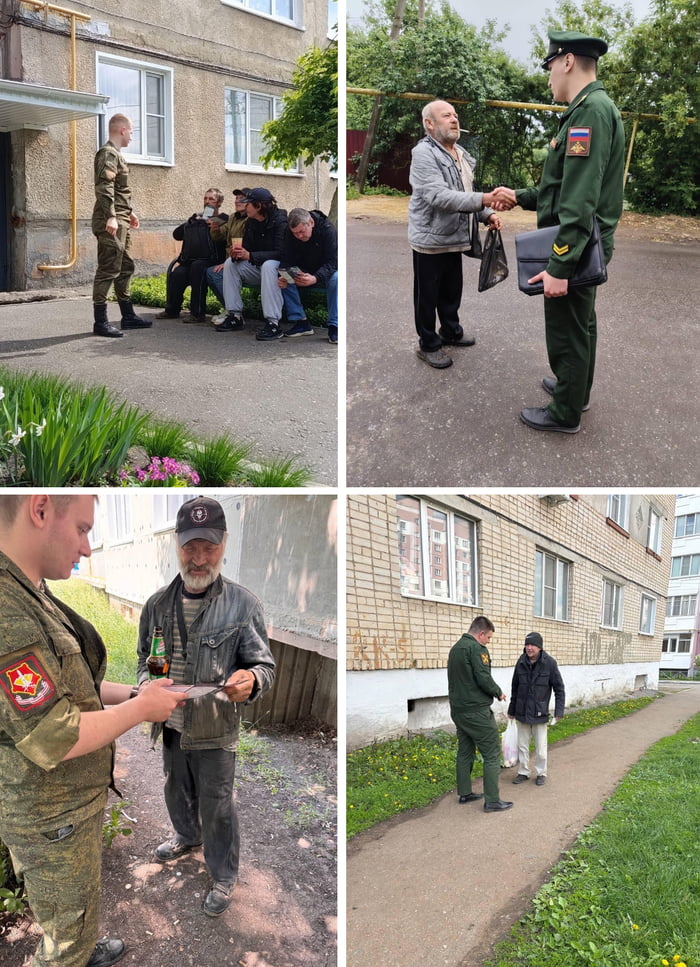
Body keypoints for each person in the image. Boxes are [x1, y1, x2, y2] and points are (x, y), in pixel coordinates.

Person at [0, 495, 187, 967]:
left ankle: (81, 944)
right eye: (83, 528)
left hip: (66, 810)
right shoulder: (5, 611)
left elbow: (74, 688)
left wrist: (134, 694)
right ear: (40, 510)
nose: (88, 547)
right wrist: (144, 709)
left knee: (72, 914)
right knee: (65, 942)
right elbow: (54, 733)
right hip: (50, 817)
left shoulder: (29, 591)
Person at [136, 496, 276, 917]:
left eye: (208, 548)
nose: (198, 559)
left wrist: (250, 681)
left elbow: (263, 666)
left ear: (224, 546)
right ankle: (186, 836)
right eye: (190, 548)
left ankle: (223, 874)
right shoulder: (156, 605)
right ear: (177, 547)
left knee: (217, 805)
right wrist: (146, 689)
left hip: (215, 729)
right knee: (176, 790)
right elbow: (145, 661)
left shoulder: (243, 604)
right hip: (172, 725)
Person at [492, 31, 625, 433]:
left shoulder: (589, 114)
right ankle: (574, 391)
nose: (548, 75)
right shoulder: (588, 109)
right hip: (588, 242)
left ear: (567, 61)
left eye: (550, 65)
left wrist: (560, 265)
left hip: (578, 245)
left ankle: (564, 413)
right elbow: (564, 188)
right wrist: (519, 196)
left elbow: (580, 201)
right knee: (582, 323)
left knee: (568, 329)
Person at [408, 99, 506, 369]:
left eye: (455, 115)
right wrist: (486, 199)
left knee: (452, 291)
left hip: (454, 238)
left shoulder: (459, 153)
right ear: (430, 124)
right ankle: (428, 344)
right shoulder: (424, 153)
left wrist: (487, 215)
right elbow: (439, 196)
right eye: (446, 115)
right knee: (427, 296)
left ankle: (450, 331)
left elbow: (462, 192)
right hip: (430, 240)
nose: (454, 119)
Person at [91, 113, 151, 338]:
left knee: (125, 266)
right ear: (123, 130)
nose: (132, 138)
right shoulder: (107, 153)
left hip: (121, 217)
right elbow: (104, 187)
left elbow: (118, 190)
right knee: (108, 268)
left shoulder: (117, 155)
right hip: (111, 221)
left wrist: (129, 212)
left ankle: (128, 316)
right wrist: (111, 216)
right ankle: (100, 322)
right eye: (132, 132)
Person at [447, 615, 512, 812]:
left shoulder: (456, 648)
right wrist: (498, 691)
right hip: (476, 712)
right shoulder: (476, 649)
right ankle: (492, 800)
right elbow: (483, 677)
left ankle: (465, 793)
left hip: (458, 711)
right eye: (489, 638)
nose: (488, 641)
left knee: (465, 751)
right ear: (481, 633)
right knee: (492, 753)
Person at [208, 188, 287, 340]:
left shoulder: (280, 220)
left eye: (248, 203)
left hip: (279, 271)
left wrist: (250, 255)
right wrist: (238, 253)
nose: (244, 206)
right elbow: (248, 248)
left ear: (258, 206)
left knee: (269, 265)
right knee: (230, 263)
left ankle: (273, 323)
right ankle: (235, 315)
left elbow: (281, 253)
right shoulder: (251, 221)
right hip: (259, 267)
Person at [155, 189, 228, 324]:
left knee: (197, 268)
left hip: (212, 260)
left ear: (219, 203)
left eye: (211, 199)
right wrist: (191, 222)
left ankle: (198, 313)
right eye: (205, 198)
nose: (207, 201)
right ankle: (172, 310)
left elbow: (224, 237)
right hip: (191, 259)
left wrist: (212, 224)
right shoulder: (196, 218)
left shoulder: (224, 219)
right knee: (178, 273)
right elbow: (176, 235)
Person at [507, 632, 565, 786]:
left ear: (540, 647)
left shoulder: (550, 663)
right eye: (527, 644)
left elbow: (559, 688)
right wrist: (511, 710)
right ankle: (523, 772)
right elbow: (515, 688)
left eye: (532, 645)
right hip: (522, 712)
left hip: (540, 713)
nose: (529, 648)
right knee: (522, 746)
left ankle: (541, 773)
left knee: (540, 748)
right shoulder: (520, 662)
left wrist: (559, 711)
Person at [276, 208, 338, 344]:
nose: (299, 236)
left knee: (337, 279)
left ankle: (335, 326)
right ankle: (301, 322)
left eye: (301, 232)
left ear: (311, 223)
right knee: (285, 277)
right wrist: (284, 275)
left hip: (326, 269)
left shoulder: (327, 230)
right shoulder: (289, 232)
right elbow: (286, 257)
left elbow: (333, 262)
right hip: (304, 269)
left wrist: (315, 278)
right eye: (295, 233)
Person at [206, 187, 251, 307]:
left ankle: (234, 310)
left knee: (212, 273)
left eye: (242, 199)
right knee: (205, 270)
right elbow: (220, 236)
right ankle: (230, 309)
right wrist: (215, 229)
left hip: (243, 260)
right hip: (232, 260)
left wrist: (227, 263)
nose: (237, 201)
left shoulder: (251, 220)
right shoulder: (232, 217)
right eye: (236, 198)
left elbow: (248, 245)